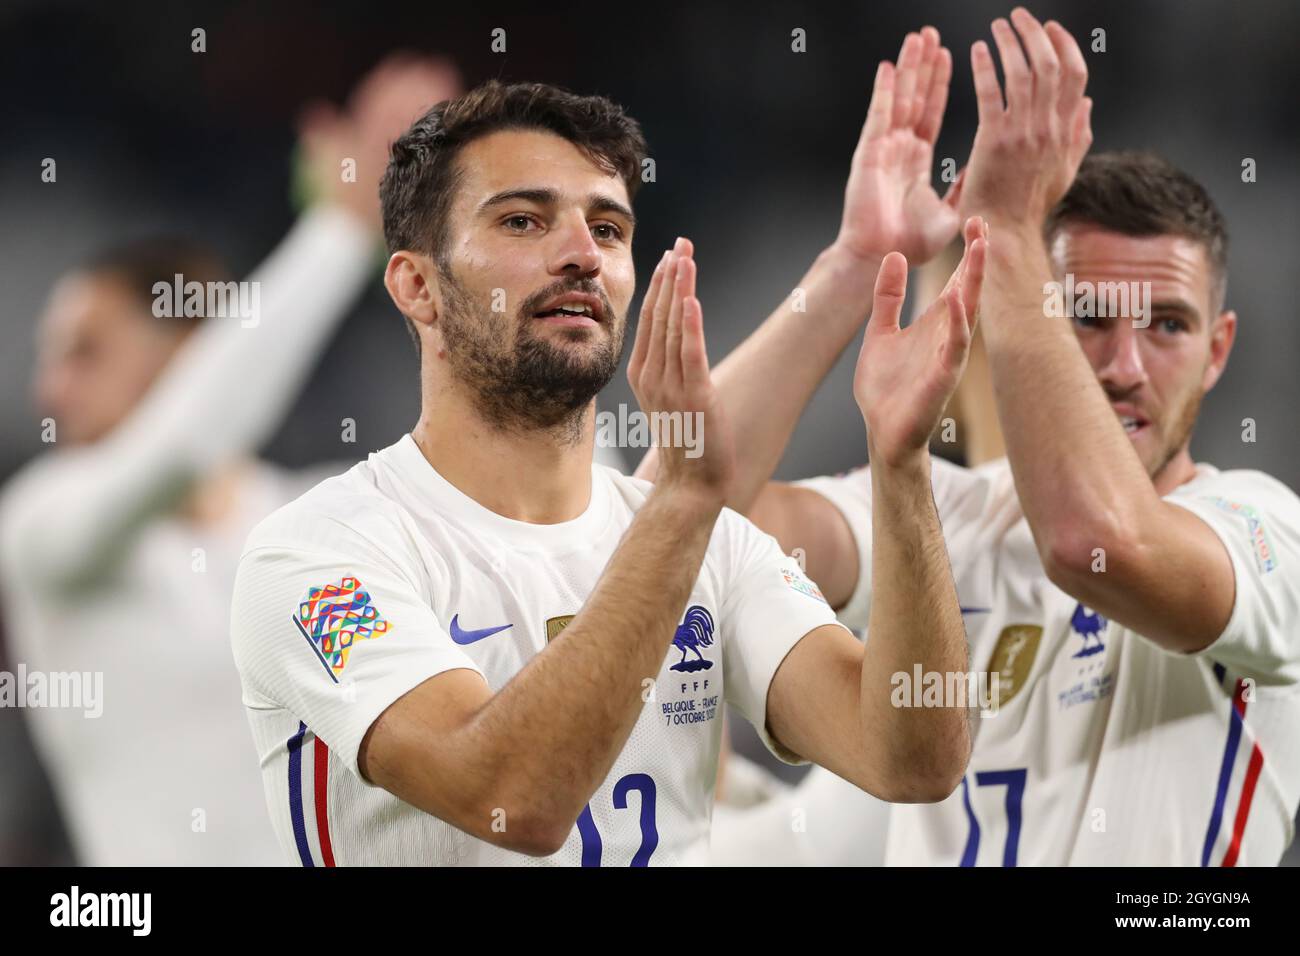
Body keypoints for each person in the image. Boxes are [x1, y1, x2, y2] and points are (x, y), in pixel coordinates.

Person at [228, 78, 987, 866]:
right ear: (417, 287)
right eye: (523, 221)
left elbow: (912, 760)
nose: (583, 255)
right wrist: (687, 499)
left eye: (608, 228)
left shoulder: (711, 543)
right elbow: (513, 800)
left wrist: (901, 464)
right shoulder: (318, 555)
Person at [703, 9, 1300, 865]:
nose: (1125, 363)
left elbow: (1098, 540)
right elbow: (682, 523)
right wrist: (855, 262)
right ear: (1030, 320)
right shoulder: (951, 514)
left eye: (1167, 325)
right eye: (1086, 317)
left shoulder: (1266, 528)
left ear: (1219, 351)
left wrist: (1012, 230)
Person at [0, 56, 462, 865]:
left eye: (84, 353)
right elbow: (181, 452)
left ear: (188, 354)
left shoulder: (323, 522)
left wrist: (466, 241)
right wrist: (343, 229)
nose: (47, 392)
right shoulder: (41, 526)